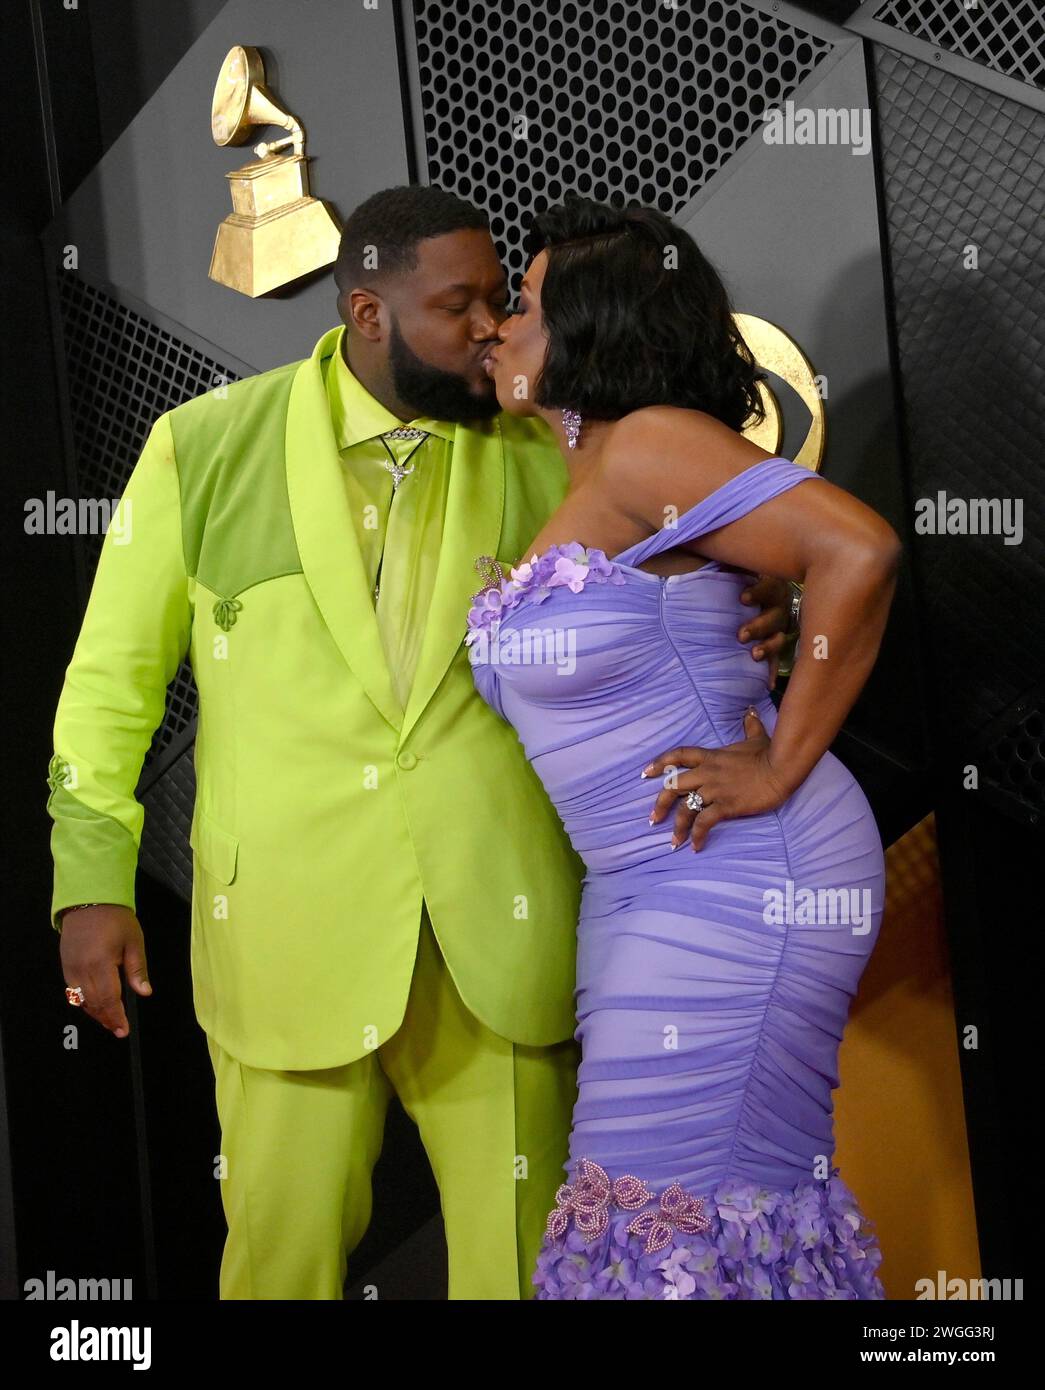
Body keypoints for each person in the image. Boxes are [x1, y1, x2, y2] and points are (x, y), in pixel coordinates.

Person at [45, 184, 795, 1300]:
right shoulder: (201, 446)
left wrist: (763, 606)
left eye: (502, 302)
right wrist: (88, 877)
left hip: (502, 933)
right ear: (367, 311)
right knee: (277, 1268)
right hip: (286, 936)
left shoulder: (554, 445)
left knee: (525, 1273)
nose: (492, 327)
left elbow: (698, 577)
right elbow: (111, 681)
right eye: (461, 306)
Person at [466, 196, 901, 1300]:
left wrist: (776, 762)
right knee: (672, 1224)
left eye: (520, 306)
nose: (496, 332)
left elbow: (857, 549)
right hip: (644, 886)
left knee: (686, 1221)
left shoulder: (644, 444)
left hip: (744, 877)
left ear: (591, 327)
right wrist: (755, 597)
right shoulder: (598, 473)